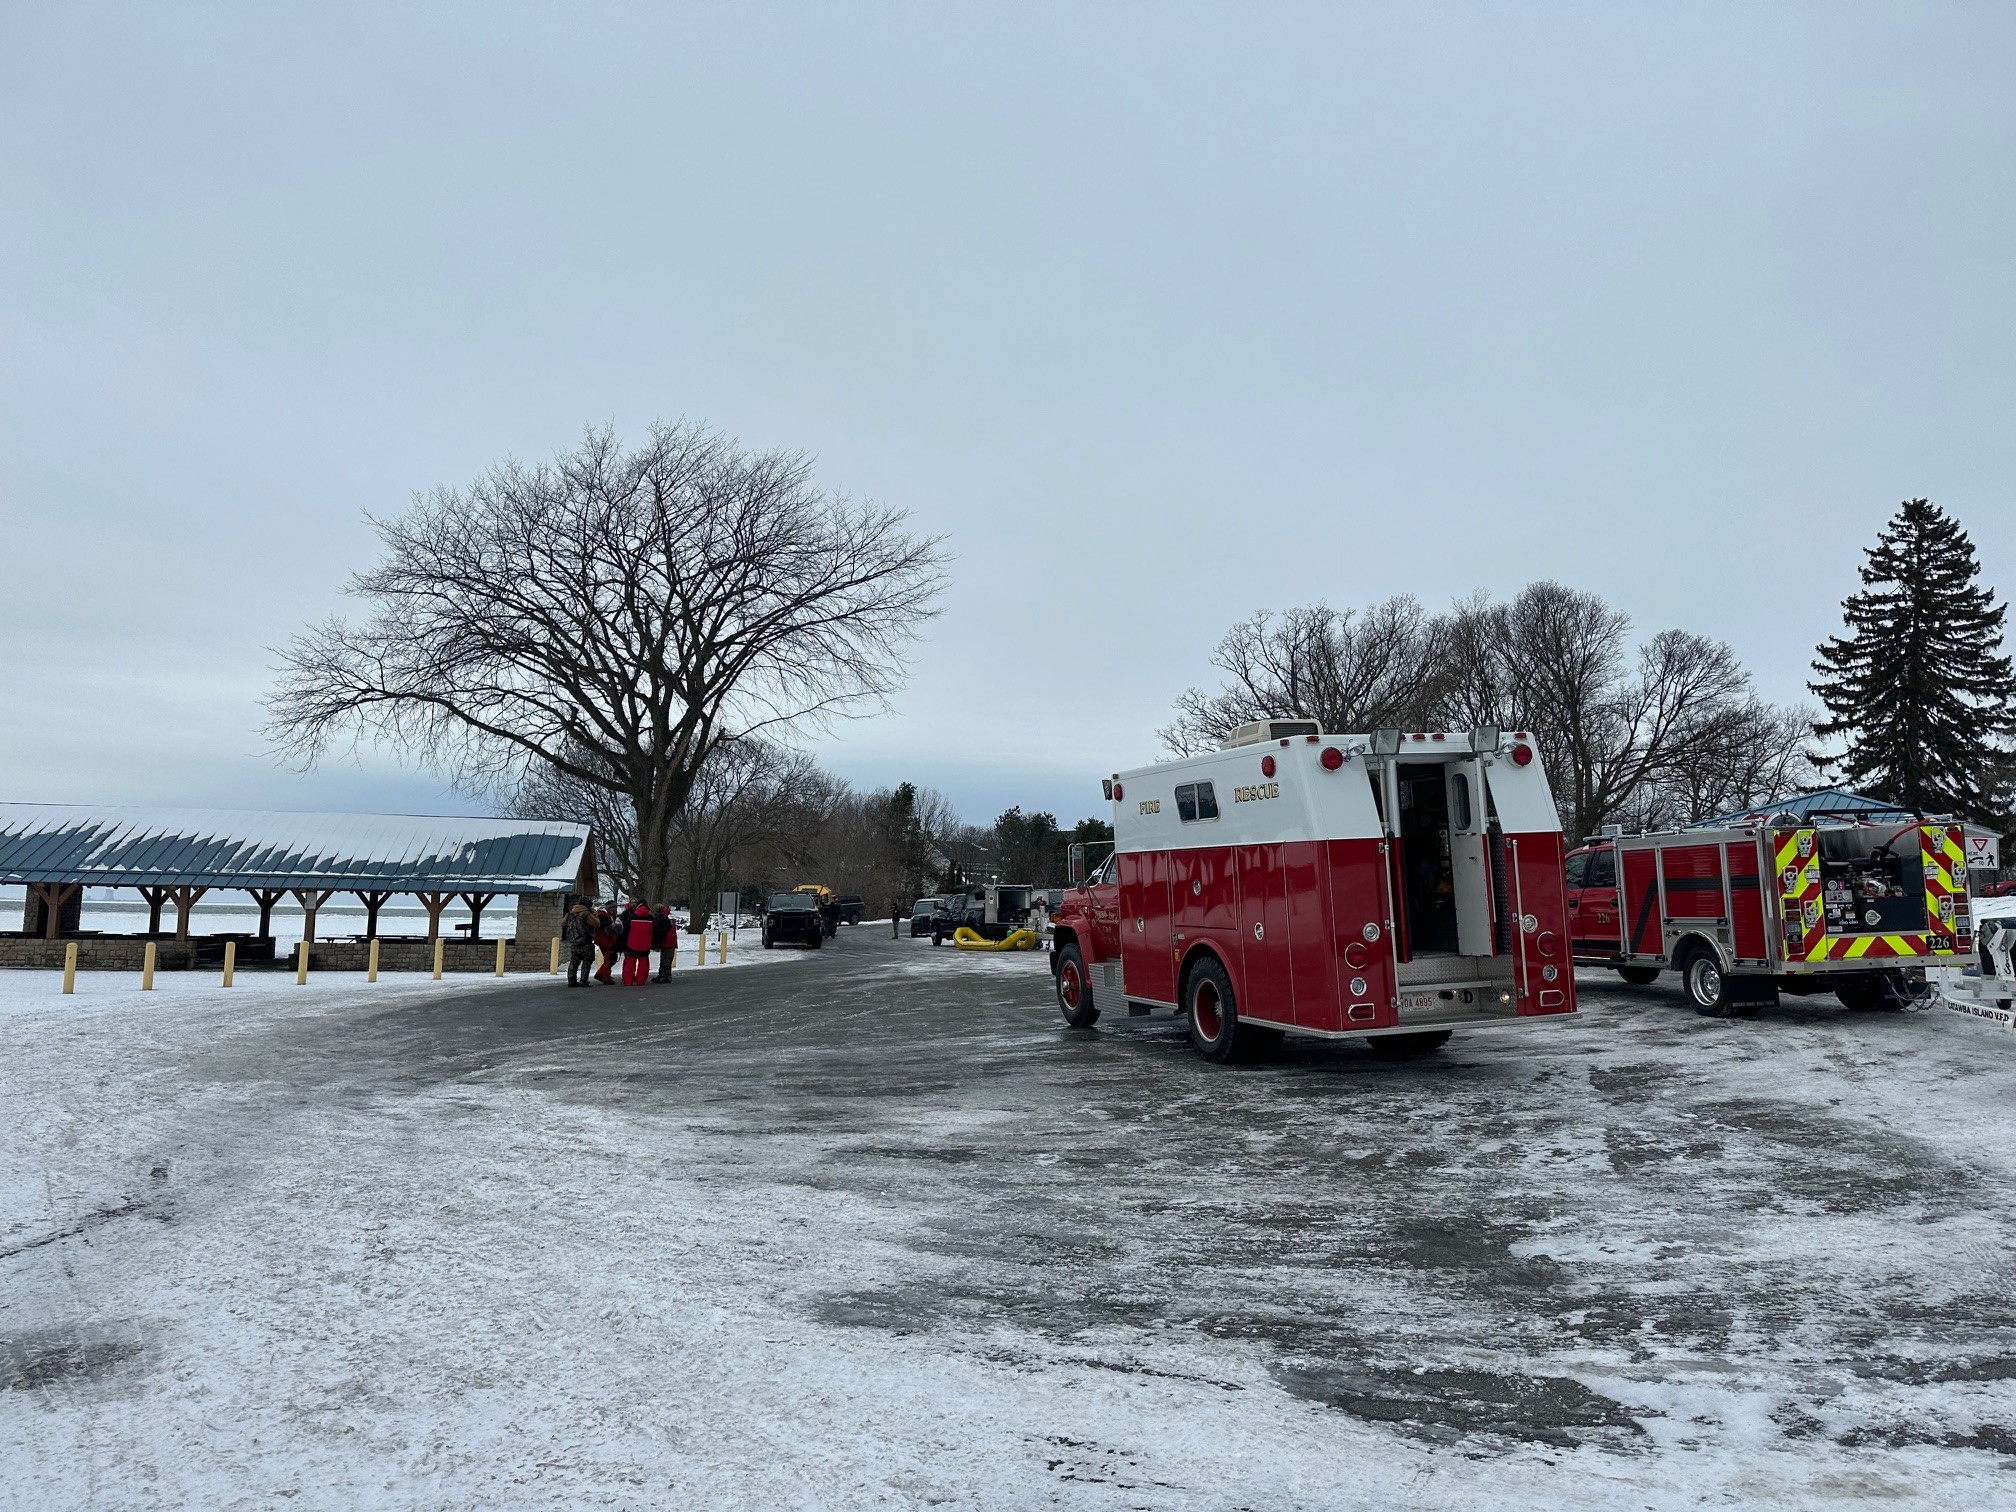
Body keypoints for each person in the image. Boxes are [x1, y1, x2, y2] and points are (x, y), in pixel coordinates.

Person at [561, 901, 597, 988]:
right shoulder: (586, 914)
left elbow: (563, 924)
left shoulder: (570, 913)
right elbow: (596, 923)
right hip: (585, 941)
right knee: (587, 961)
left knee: (574, 961)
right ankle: (583, 981)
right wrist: (594, 914)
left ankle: (571, 980)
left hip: (574, 942)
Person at [622, 897, 655, 985]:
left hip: (632, 944)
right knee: (643, 962)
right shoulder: (651, 918)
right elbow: (656, 932)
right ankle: (641, 981)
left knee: (630, 962)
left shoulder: (632, 917)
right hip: (646, 945)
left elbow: (625, 930)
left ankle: (628, 981)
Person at [592, 905, 621, 985]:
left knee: (611, 959)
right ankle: (605, 977)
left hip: (605, 941)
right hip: (606, 942)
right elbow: (607, 929)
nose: (614, 910)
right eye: (613, 908)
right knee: (609, 959)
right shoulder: (603, 916)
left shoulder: (604, 915)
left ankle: (601, 974)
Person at [652, 904, 679, 982]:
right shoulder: (664, 919)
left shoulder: (663, 920)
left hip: (668, 942)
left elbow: (661, 932)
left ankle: (665, 976)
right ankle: (663, 975)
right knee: (664, 959)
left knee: (666, 960)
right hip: (668, 942)